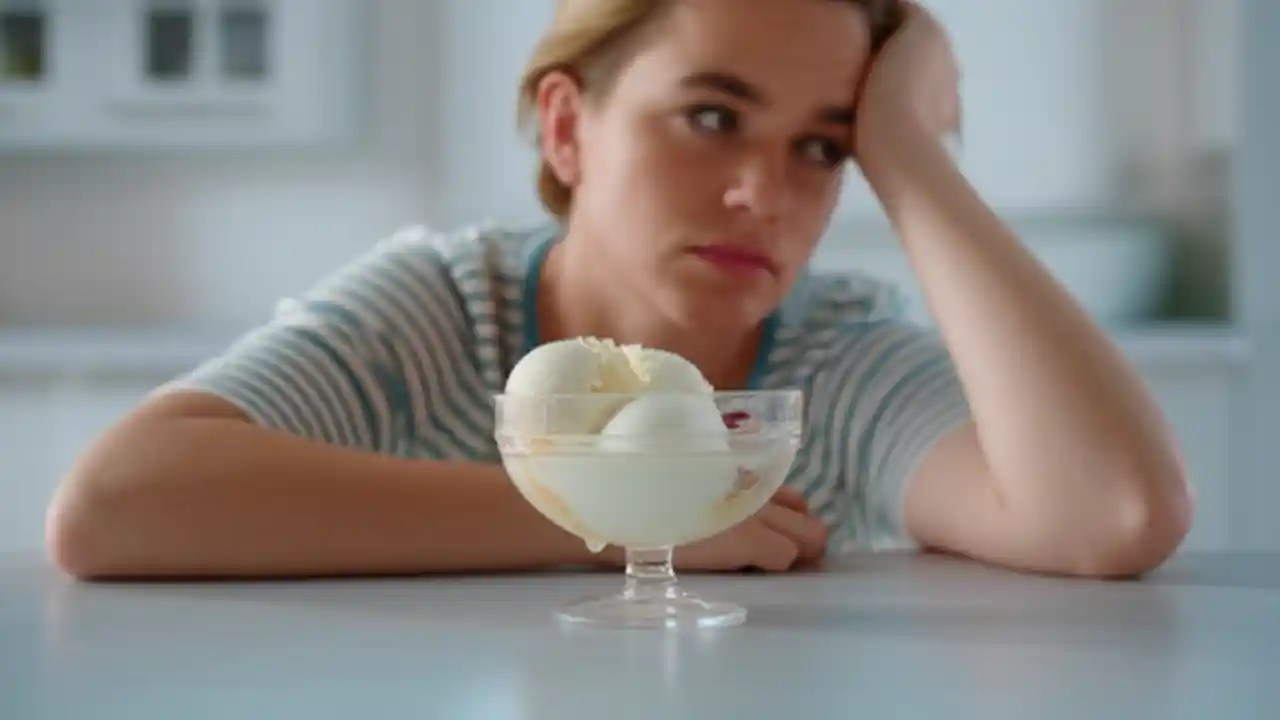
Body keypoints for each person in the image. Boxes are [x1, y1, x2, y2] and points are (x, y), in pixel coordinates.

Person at [45, 0, 1192, 580]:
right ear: (565, 126)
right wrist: (632, 514)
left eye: (821, 146)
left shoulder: (832, 360)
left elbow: (1111, 517)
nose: (761, 193)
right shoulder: (444, 309)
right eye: (710, 117)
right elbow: (114, 507)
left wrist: (909, 150)